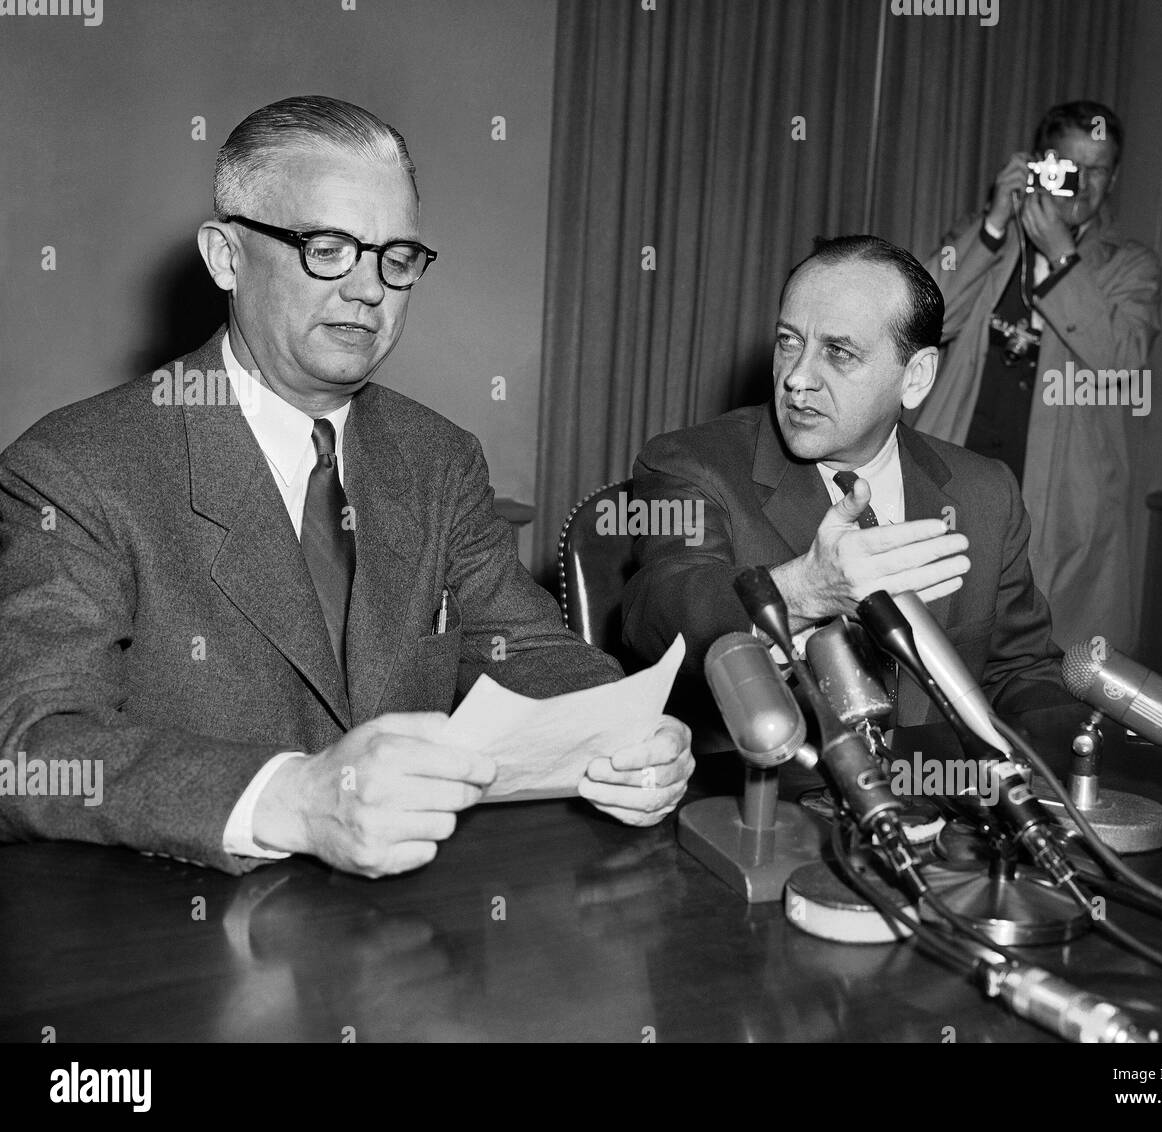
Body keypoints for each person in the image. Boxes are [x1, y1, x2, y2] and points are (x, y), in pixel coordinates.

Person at [0, 95, 693, 878]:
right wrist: (292, 799)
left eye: (396, 257)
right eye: (328, 246)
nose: (369, 289)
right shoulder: (75, 466)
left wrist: (621, 732)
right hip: (181, 932)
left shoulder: (439, 458)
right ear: (226, 256)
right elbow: (30, 746)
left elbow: (524, 647)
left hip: (407, 932)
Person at [622, 234, 1069, 733]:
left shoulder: (984, 492)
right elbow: (657, 615)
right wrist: (802, 591)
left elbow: (1021, 671)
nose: (797, 377)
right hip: (769, 794)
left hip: (939, 791)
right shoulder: (693, 462)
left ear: (916, 377)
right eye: (789, 341)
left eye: (838, 352)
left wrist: (1073, 752)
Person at [912, 101, 1161, 651]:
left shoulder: (1129, 264)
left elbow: (1123, 366)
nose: (1082, 183)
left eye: (1098, 170)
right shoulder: (993, 242)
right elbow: (923, 317)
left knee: (1047, 662)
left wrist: (1063, 259)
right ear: (1039, 165)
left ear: (1114, 177)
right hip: (960, 476)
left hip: (1062, 501)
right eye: (1069, 166)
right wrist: (994, 224)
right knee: (936, 642)